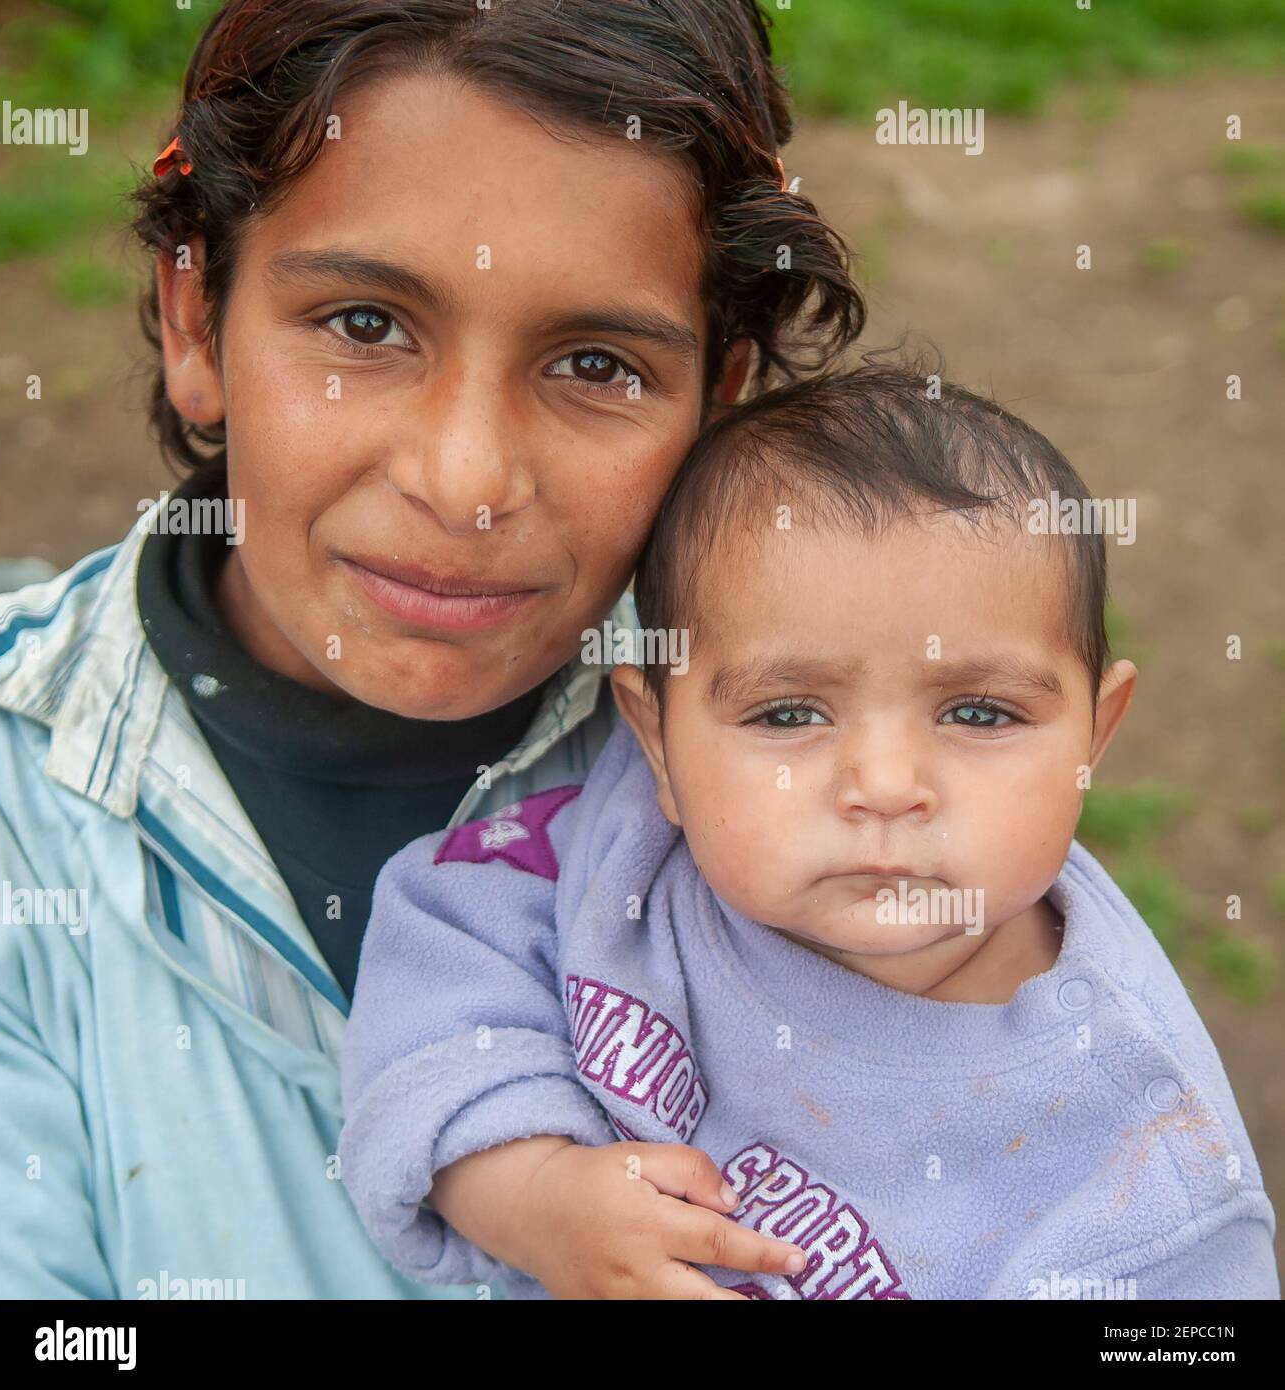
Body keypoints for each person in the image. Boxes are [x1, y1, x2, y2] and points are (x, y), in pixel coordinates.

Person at [0, 0, 862, 1298]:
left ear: (717, 397)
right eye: (363, 326)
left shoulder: (852, 768)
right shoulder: (12, 806)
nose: (466, 484)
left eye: (595, 362)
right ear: (194, 316)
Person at [340, 365, 1279, 1300]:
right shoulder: (602, 861)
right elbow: (433, 1008)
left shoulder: (1142, 1150)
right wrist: (541, 1197)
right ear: (658, 741)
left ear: (1094, 736)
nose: (884, 787)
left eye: (981, 714)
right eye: (788, 714)